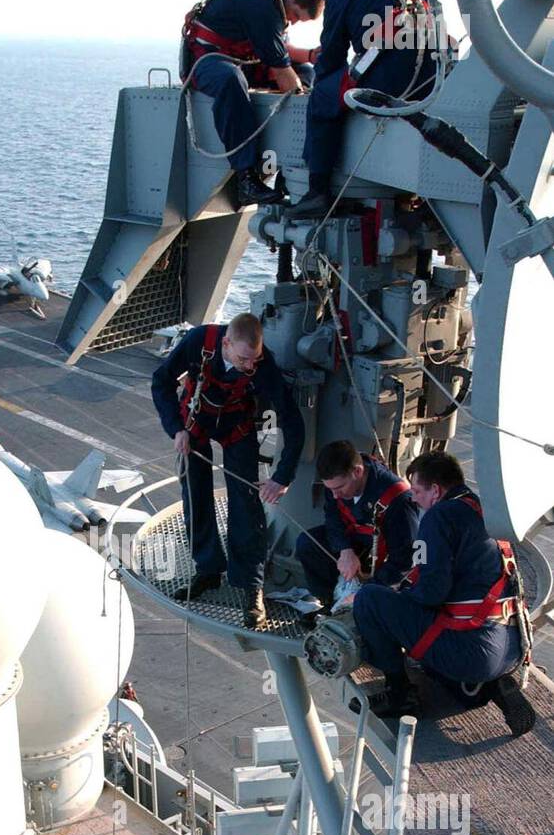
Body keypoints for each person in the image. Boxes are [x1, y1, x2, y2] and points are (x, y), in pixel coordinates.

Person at [353, 452, 535, 733]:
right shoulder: (482, 508)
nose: (413, 499)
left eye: (416, 491)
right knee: (439, 638)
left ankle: (400, 694)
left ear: (436, 491)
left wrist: (397, 600)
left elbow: (431, 593)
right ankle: (490, 684)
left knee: (370, 599)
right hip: (511, 646)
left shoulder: (438, 518)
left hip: (474, 651)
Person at [151, 312, 305, 630]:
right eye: (244, 359)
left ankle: (251, 586)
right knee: (195, 496)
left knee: (246, 504)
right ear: (225, 344)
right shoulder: (198, 343)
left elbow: (292, 420)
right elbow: (161, 381)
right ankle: (208, 569)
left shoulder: (264, 366)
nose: (250, 367)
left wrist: (282, 476)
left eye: (255, 360)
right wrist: (176, 429)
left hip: (237, 426)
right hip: (194, 423)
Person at [289, 0, 436, 219]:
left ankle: (318, 191)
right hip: (429, 76)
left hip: (391, 77)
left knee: (321, 98)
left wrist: (322, 86)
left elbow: (330, 58)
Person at [181, 0, 322, 206]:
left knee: (306, 72)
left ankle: (281, 163)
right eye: (297, 16)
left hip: (240, 60)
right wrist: (302, 96)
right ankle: (246, 176)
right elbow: (280, 70)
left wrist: (309, 57)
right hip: (206, 59)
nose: (293, 22)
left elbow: (273, 48)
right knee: (230, 80)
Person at [297, 440, 419, 605]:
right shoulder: (336, 481)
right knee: (307, 543)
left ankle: (352, 605)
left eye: (339, 488)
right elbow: (332, 518)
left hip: (383, 555)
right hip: (354, 539)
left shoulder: (398, 500)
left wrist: (366, 590)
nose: (334, 495)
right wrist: (344, 549)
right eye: (330, 489)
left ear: (358, 471)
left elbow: (405, 560)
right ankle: (327, 603)